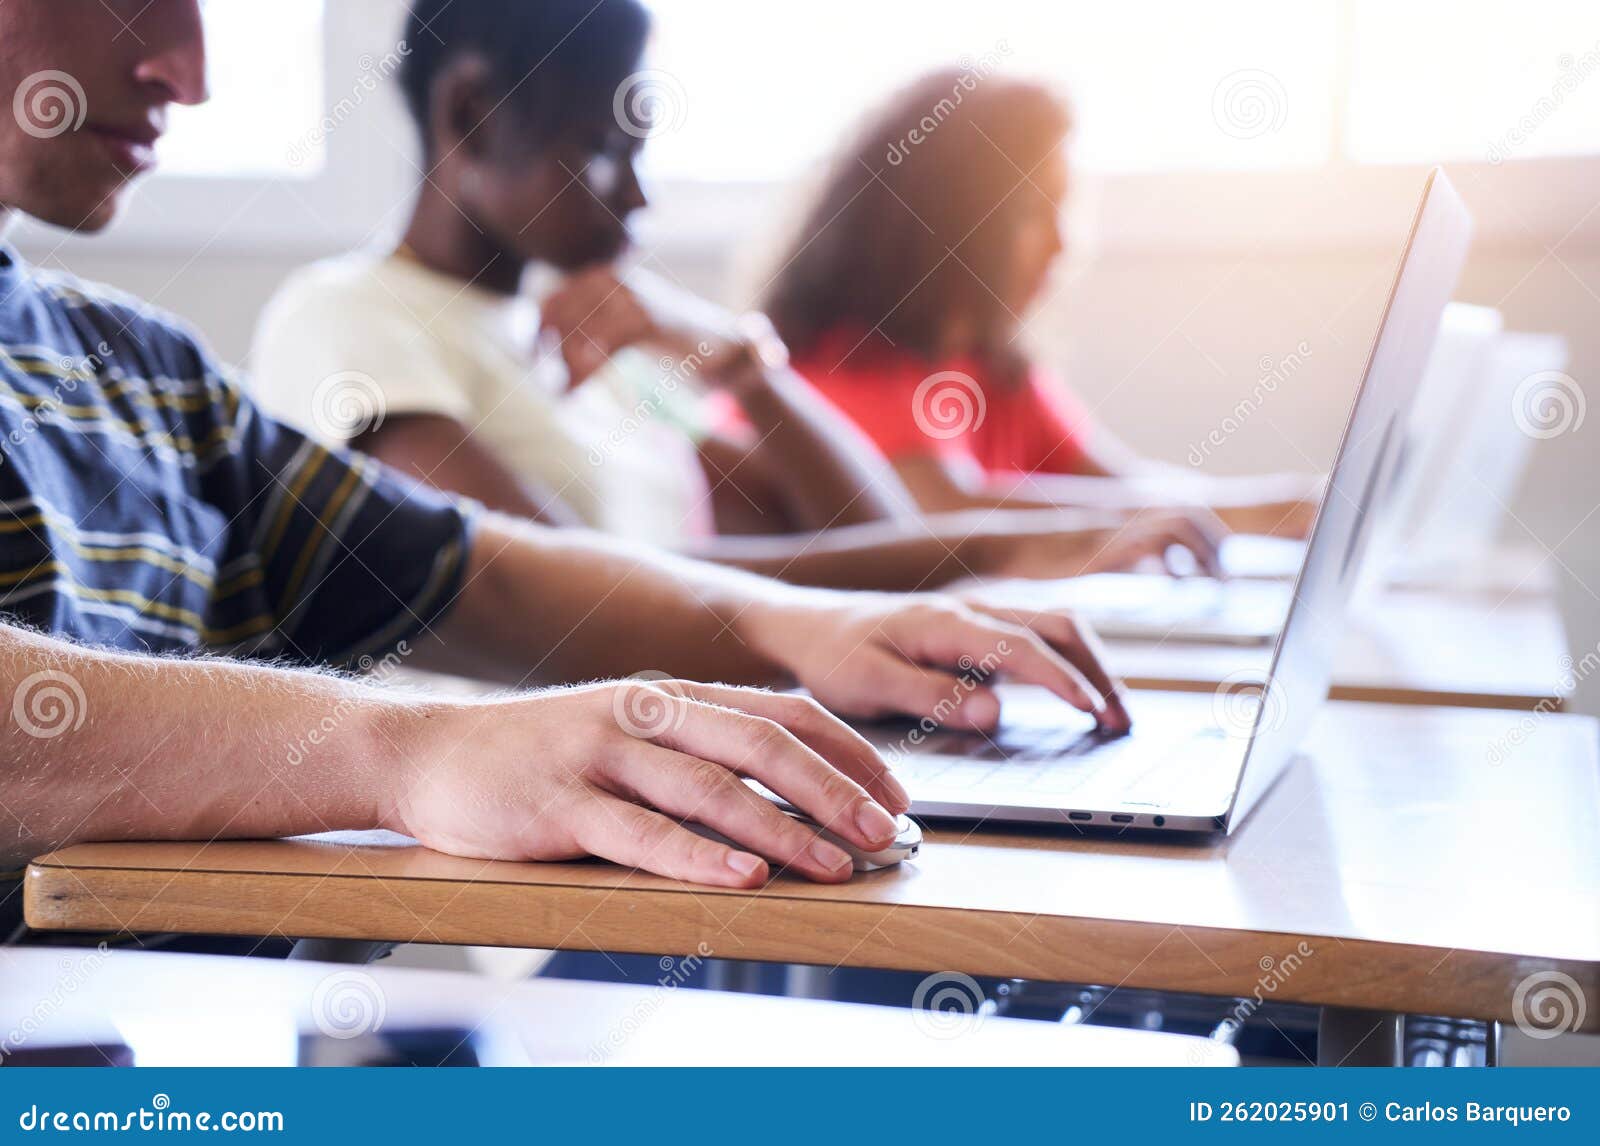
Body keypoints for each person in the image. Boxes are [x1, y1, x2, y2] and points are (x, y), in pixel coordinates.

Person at [0, 0, 1132, 942]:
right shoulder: (353, 320)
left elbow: (472, 570)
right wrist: (407, 754)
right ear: (472, 113)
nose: (186, 73)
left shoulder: (135, 364)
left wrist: (790, 617)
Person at [249, 0, 1225, 589]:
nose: (638, 196)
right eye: (602, 152)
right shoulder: (347, 320)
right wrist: (1021, 551)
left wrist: (739, 363)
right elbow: (567, 599)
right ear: (468, 111)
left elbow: (865, 530)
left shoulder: (599, 347)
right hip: (543, 886)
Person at [764, 71, 1320, 536]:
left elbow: (1124, 484)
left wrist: (1286, 505)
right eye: (1035, 211)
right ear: (951, 219)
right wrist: (1238, 514)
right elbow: (938, 515)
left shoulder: (992, 371)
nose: (1062, 244)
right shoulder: (837, 366)